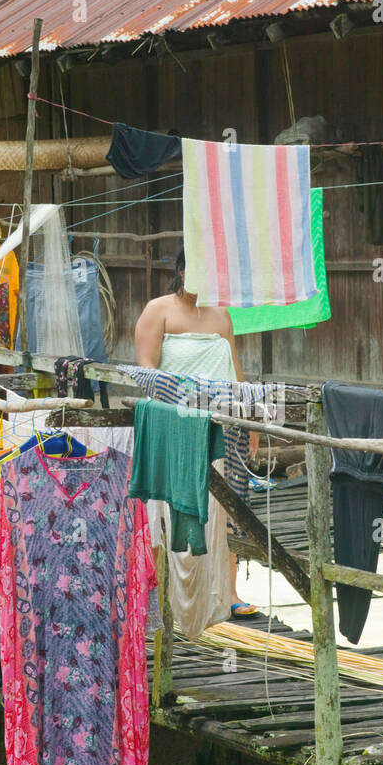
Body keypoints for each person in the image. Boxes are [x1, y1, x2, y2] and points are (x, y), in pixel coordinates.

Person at [134, 250, 259, 619]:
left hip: (227, 421)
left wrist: (249, 415)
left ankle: (230, 590)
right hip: (180, 424)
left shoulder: (222, 314)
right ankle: (175, 592)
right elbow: (147, 372)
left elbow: (235, 370)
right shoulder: (159, 310)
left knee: (231, 504)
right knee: (181, 503)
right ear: (180, 271)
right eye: (193, 271)